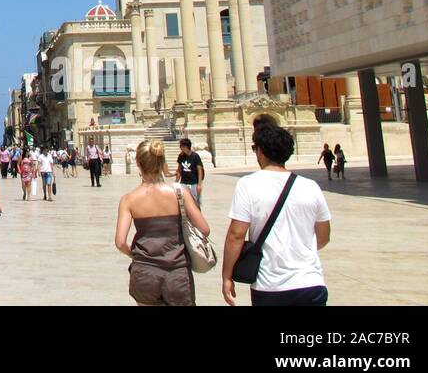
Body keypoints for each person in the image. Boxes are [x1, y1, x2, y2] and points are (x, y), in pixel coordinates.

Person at [222, 118, 332, 307]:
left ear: (261, 151)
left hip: (270, 286)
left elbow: (236, 235)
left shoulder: (248, 184)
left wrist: (227, 276)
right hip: (310, 283)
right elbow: (323, 237)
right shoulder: (310, 186)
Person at [115, 140, 210, 306]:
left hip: (144, 272)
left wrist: (136, 256)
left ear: (138, 162)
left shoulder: (128, 200)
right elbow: (204, 229)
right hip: (178, 272)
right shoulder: (180, 193)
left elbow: (120, 242)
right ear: (162, 162)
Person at [175, 138, 205, 204]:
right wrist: (176, 183)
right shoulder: (181, 156)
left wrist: (199, 184)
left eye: (181, 146)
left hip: (194, 183)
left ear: (185, 146)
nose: (180, 147)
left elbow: (199, 170)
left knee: (196, 203)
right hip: (183, 183)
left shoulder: (195, 156)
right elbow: (179, 170)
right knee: (183, 203)